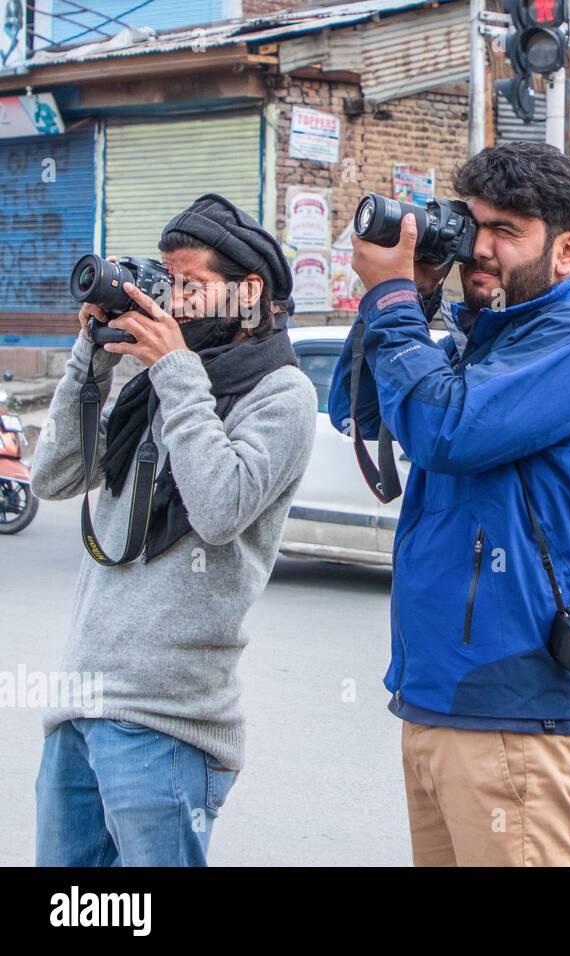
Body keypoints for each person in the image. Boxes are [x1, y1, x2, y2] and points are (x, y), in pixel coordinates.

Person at [328, 143, 570, 867]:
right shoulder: (483, 339)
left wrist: (394, 303)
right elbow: (357, 410)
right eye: (473, 224)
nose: (480, 249)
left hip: (516, 717)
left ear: (568, 250)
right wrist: (417, 296)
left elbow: (443, 430)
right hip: (442, 701)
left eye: (508, 231)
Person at [30, 194, 317, 866]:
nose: (173, 301)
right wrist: (90, 357)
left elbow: (218, 509)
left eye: (191, 285)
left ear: (248, 295)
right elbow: (53, 479)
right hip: (82, 704)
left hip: (167, 723)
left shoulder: (281, 394)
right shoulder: (160, 381)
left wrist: (175, 370)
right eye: (167, 280)